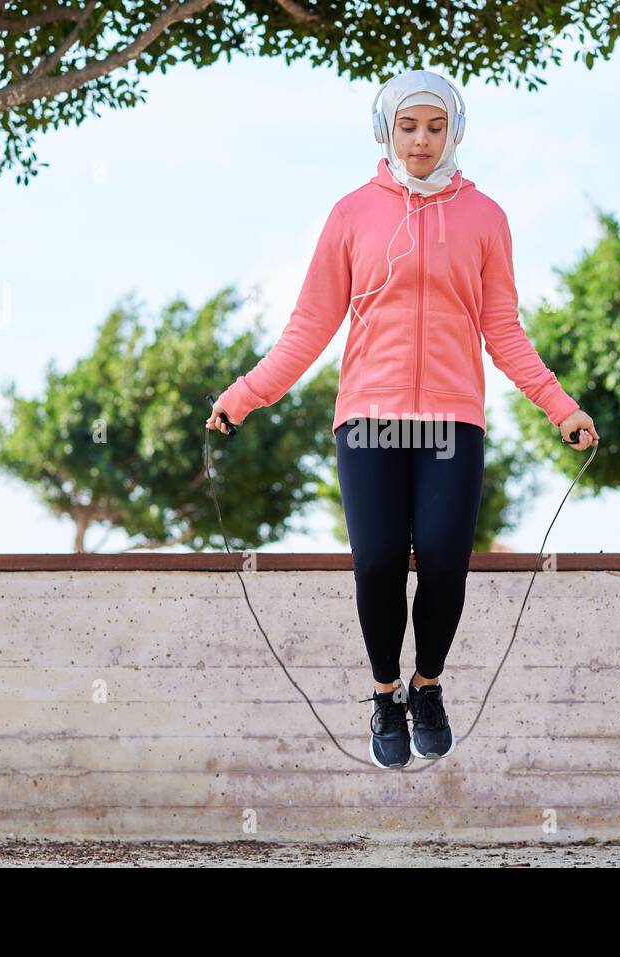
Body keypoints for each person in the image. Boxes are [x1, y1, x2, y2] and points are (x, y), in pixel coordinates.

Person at [207, 69, 599, 769]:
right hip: (369, 419)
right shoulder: (353, 213)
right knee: (380, 564)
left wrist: (560, 406)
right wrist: (243, 395)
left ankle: (428, 685)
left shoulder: (485, 218)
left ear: (455, 131)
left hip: (453, 420)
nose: (421, 140)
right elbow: (308, 326)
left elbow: (503, 330)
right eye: (409, 126)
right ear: (385, 130)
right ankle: (385, 691)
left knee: (446, 562)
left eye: (436, 127)